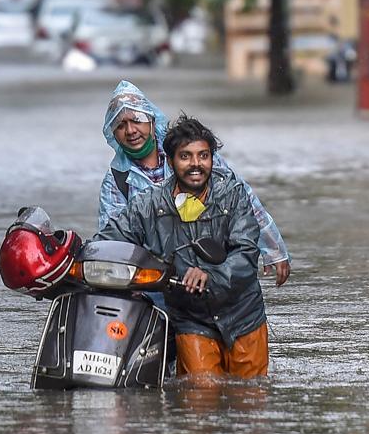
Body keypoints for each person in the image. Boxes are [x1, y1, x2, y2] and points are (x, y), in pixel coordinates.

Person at [96, 114, 268, 382]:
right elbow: (108, 239)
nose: (196, 164)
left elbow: (246, 253)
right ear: (171, 161)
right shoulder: (149, 206)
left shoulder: (232, 195)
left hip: (243, 315)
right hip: (191, 319)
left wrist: (210, 275)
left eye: (203, 156)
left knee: (251, 400)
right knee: (199, 401)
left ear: (212, 159)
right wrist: (73, 254)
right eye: (186, 156)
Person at [99, 80, 291, 286]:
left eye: (137, 120)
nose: (130, 130)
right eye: (120, 125)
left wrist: (274, 250)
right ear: (114, 135)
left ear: (152, 122)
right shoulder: (116, 181)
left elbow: (244, 202)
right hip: (158, 279)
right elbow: (113, 239)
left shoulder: (194, 154)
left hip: (212, 266)